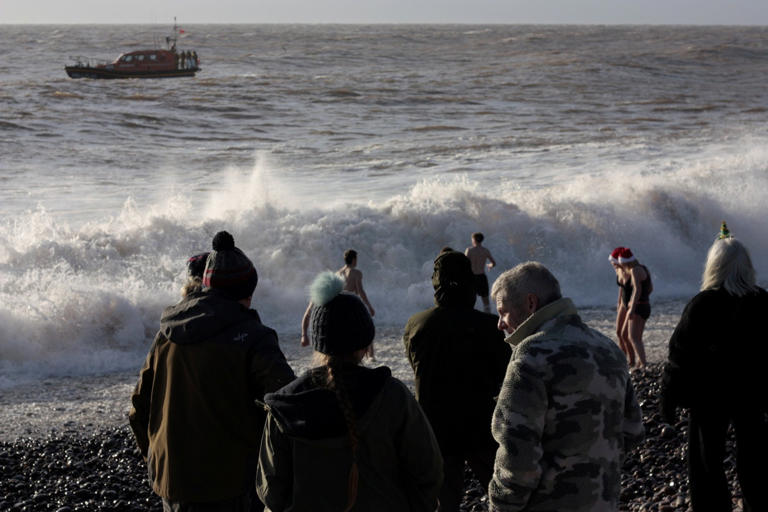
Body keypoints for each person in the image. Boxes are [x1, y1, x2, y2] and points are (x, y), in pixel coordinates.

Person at [129, 231, 296, 512]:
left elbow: (138, 409)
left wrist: (157, 461)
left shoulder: (167, 333)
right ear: (248, 292)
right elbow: (286, 405)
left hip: (172, 484)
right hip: (230, 486)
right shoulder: (254, 337)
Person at [257, 271, 443, 512]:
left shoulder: (285, 406)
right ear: (366, 347)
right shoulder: (392, 395)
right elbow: (428, 470)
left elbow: (270, 491)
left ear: (318, 342)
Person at [488, 261, 644, 512]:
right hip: (603, 502)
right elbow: (634, 430)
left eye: (503, 312)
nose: (500, 323)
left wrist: (501, 506)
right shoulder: (608, 348)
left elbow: (518, 456)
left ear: (530, 303)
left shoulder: (531, 355)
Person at [660, 227, 768, 512]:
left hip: (709, 396)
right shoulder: (762, 301)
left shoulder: (702, 304)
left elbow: (678, 358)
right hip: (754, 393)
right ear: (747, 266)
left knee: (706, 461)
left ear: (713, 266)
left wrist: (668, 400)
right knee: (757, 458)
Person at [403, 249, 511, 512]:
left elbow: (417, 366)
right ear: (471, 283)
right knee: (505, 498)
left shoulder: (417, 325)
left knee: (444, 503)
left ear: (436, 284)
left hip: (435, 431)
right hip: (482, 427)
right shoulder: (491, 327)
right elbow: (506, 378)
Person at [300, 249, 375, 349]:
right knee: (365, 329)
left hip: (339, 309)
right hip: (352, 306)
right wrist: (369, 306)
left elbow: (308, 313)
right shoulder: (356, 273)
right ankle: (370, 356)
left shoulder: (337, 274)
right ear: (354, 259)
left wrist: (304, 335)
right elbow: (360, 291)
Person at [618, 247, 651, 369]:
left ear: (625, 261)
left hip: (638, 307)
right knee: (635, 337)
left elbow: (638, 289)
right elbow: (650, 288)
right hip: (645, 305)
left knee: (633, 337)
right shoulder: (643, 268)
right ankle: (640, 362)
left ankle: (643, 363)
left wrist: (632, 307)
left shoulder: (634, 270)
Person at [609, 246, 634, 366]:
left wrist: (632, 306)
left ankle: (632, 360)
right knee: (619, 333)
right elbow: (621, 289)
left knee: (627, 335)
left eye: (613, 262)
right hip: (623, 304)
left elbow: (637, 290)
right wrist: (619, 304)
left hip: (630, 304)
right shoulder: (618, 272)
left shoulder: (631, 272)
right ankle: (623, 357)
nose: (612, 264)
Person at [465, 232, 497, 313]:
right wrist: (489, 265)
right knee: (486, 301)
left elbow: (464, 263)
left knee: (469, 300)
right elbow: (493, 263)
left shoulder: (469, 250)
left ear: (474, 240)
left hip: (471, 277)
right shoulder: (485, 251)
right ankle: (488, 318)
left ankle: (470, 317)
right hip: (481, 277)